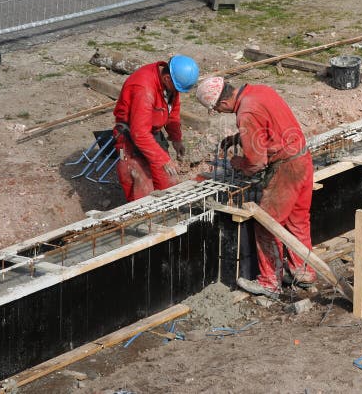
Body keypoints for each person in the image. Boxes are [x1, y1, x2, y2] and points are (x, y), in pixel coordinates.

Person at [196, 76, 317, 298]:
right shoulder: (259, 91)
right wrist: (240, 138)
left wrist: (238, 163)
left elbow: (256, 163)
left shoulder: (246, 113)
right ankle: (304, 271)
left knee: (265, 224)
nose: (223, 113)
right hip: (302, 159)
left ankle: (269, 282)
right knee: (297, 219)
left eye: (218, 110)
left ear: (223, 103)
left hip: (286, 170)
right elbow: (270, 126)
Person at [112, 55, 200, 202]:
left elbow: (173, 112)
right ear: (166, 79)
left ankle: (169, 209)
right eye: (177, 88)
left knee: (168, 180)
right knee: (138, 181)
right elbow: (139, 133)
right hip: (127, 138)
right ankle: (141, 220)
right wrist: (163, 159)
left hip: (151, 133)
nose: (178, 93)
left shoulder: (170, 83)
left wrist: (176, 138)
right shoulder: (144, 88)